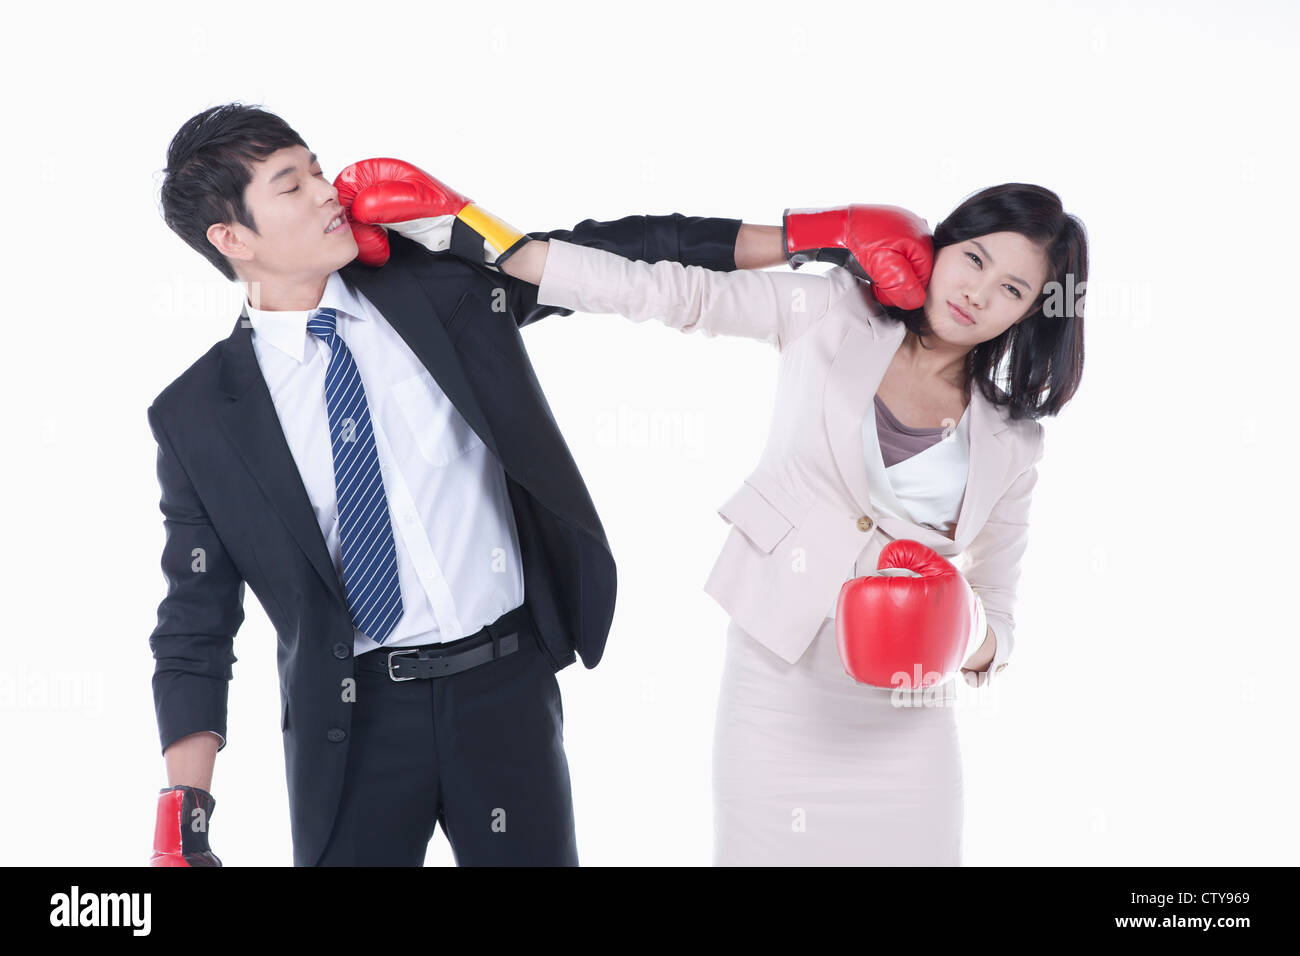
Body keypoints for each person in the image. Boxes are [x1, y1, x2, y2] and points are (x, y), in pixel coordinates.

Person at [147, 102, 749, 865]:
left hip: (505, 692)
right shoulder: (199, 415)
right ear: (231, 239)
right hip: (352, 727)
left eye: (320, 168)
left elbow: (601, 257)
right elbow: (195, 621)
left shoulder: (436, 288)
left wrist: (805, 241)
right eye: (291, 186)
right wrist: (184, 809)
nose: (330, 191)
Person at [495, 186, 1088, 864]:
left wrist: (967, 624)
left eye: (1011, 288)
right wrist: (509, 254)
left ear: (1033, 312)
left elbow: (1000, 626)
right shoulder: (833, 310)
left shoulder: (1013, 443)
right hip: (779, 693)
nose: (979, 292)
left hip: (908, 732)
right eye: (974, 259)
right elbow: (679, 294)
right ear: (938, 246)